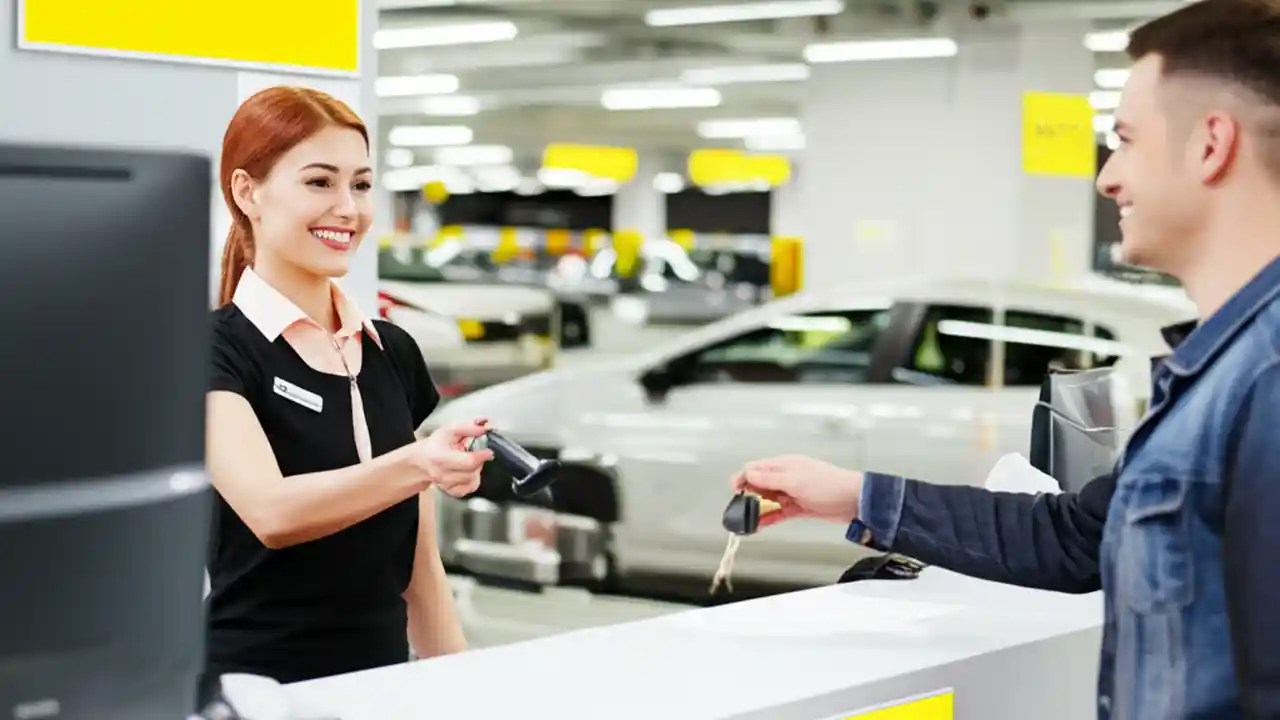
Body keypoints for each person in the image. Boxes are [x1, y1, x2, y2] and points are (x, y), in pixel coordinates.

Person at [733, 1, 1280, 718]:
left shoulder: (1265, 383)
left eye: (1126, 140)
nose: (1107, 178)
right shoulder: (1222, 371)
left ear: (1211, 145)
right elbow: (1076, 538)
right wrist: (854, 495)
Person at [203, 86, 495, 687]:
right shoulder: (211, 351)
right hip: (256, 694)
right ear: (246, 191)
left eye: (361, 185)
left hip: (380, 687)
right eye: (319, 182)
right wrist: (421, 463)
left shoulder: (392, 351)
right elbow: (271, 511)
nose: (348, 208)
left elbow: (420, 569)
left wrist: (461, 693)